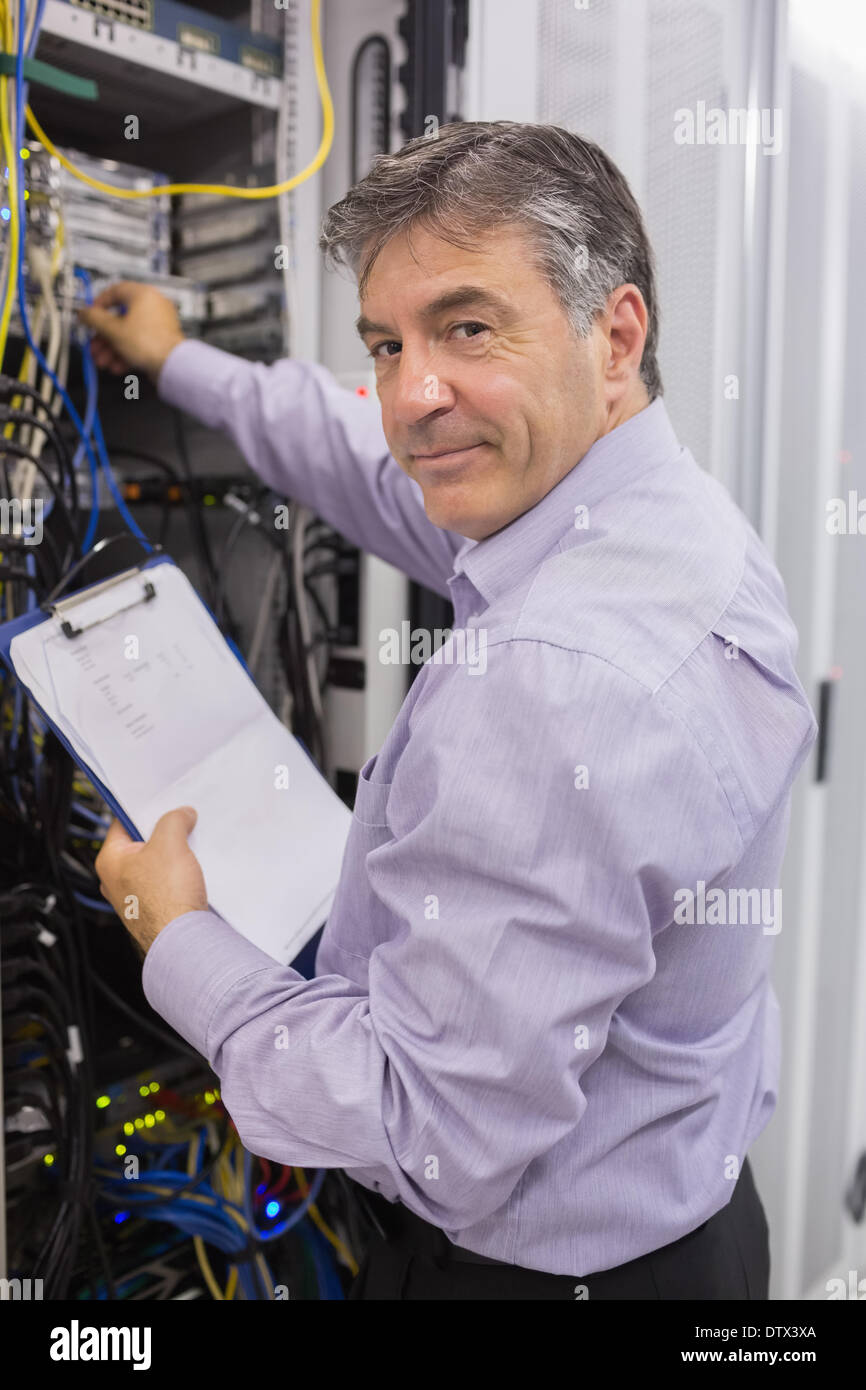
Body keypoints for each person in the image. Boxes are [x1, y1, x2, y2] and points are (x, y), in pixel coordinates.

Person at [83, 121, 816, 1300]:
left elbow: (430, 1127)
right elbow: (370, 465)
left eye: (468, 326)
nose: (412, 395)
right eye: (385, 343)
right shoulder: (651, 511)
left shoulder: (553, 679)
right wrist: (178, 363)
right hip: (701, 1233)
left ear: (614, 334)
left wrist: (178, 940)